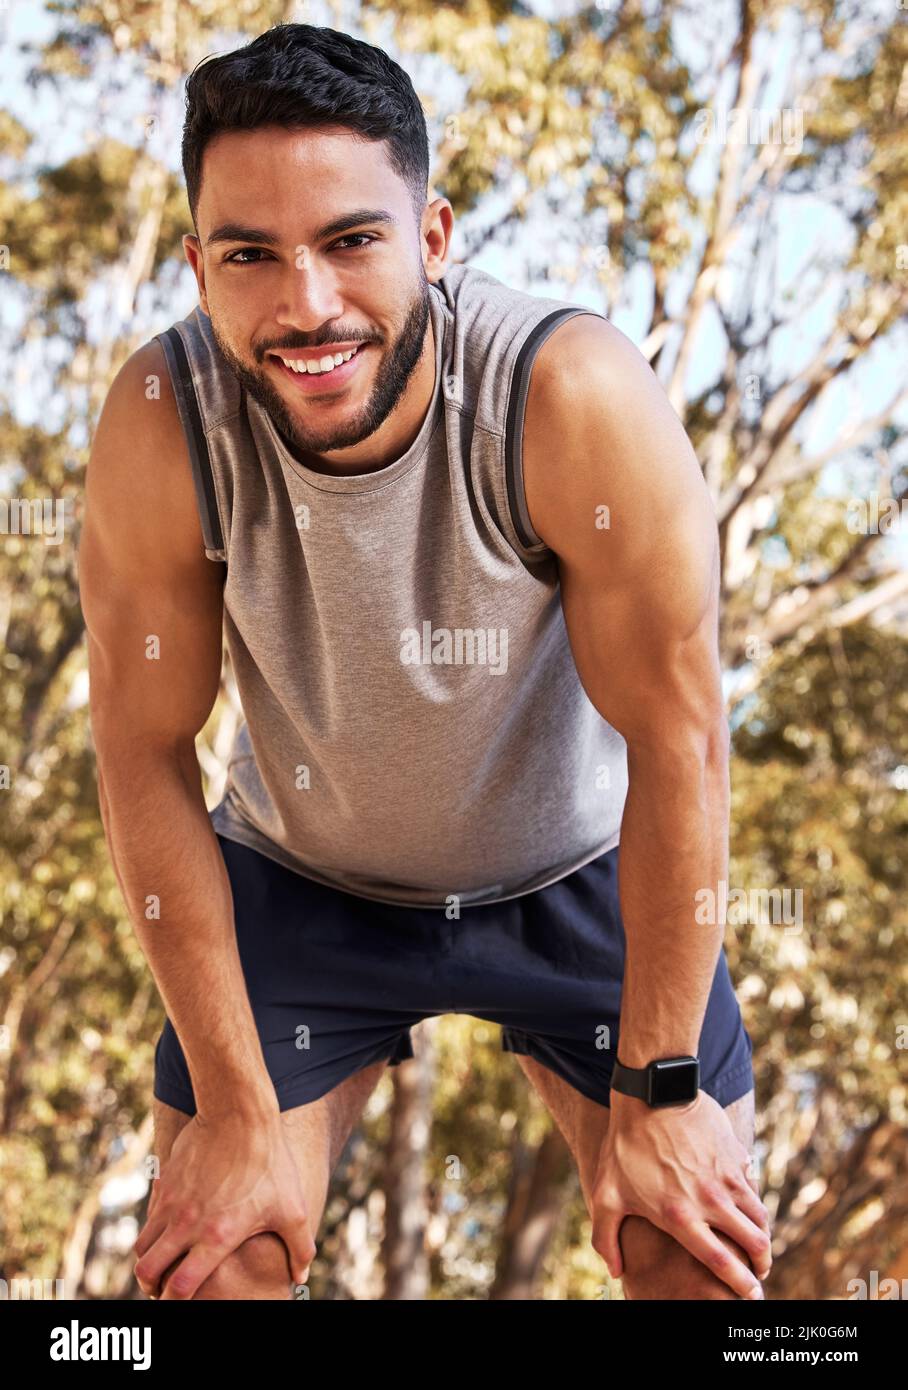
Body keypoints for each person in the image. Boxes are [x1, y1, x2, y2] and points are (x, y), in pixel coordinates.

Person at [78, 22, 771, 1301]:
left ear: (432, 236)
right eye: (250, 255)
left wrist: (664, 1086)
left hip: (574, 876)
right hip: (304, 880)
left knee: (696, 1263)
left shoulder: (569, 397)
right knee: (210, 1268)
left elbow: (679, 745)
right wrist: (233, 1099)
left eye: (350, 240)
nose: (307, 304)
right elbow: (138, 747)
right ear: (196, 265)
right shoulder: (162, 423)